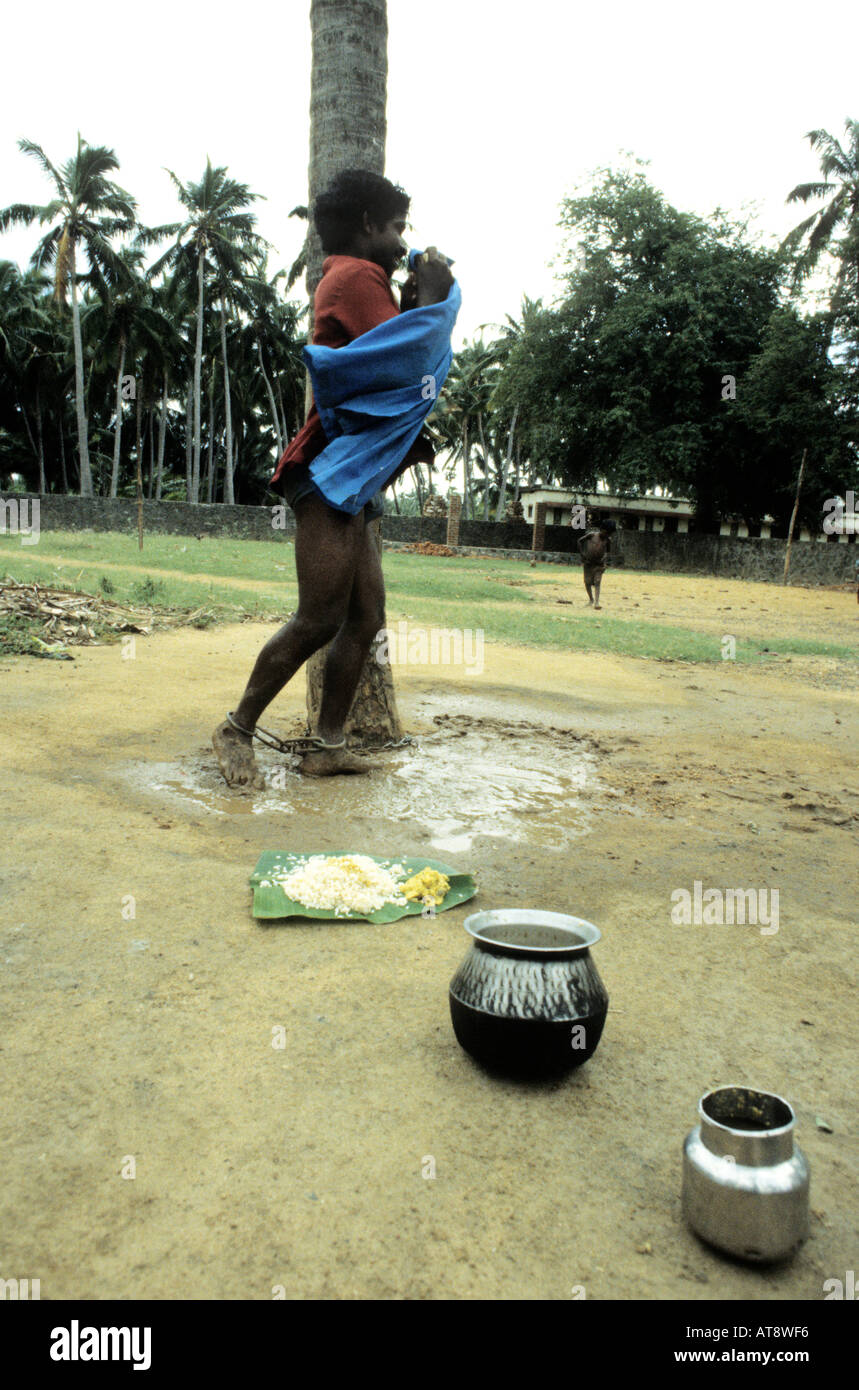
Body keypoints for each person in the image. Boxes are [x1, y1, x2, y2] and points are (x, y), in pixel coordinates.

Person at [213, 169, 455, 789]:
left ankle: (327, 745)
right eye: (398, 226)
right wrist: (432, 295)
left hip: (354, 477)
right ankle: (235, 730)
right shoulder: (355, 275)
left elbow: (390, 355)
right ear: (371, 223)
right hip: (329, 471)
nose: (403, 242)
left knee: (365, 615)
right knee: (320, 617)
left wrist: (415, 301)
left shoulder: (357, 279)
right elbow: (406, 361)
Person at [578, 518, 617, 609]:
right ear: (602, 529)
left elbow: (608, 552)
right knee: (587, 582)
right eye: (607, 533)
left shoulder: (607, 540)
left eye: (609, 534)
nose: (607, 535)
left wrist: (605, 559)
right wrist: (582, 554)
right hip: (588, 563)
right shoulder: (591, 535)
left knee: (597, 581)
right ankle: (591, 599)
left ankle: (597, 602)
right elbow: (579, 541)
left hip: (599, 564)